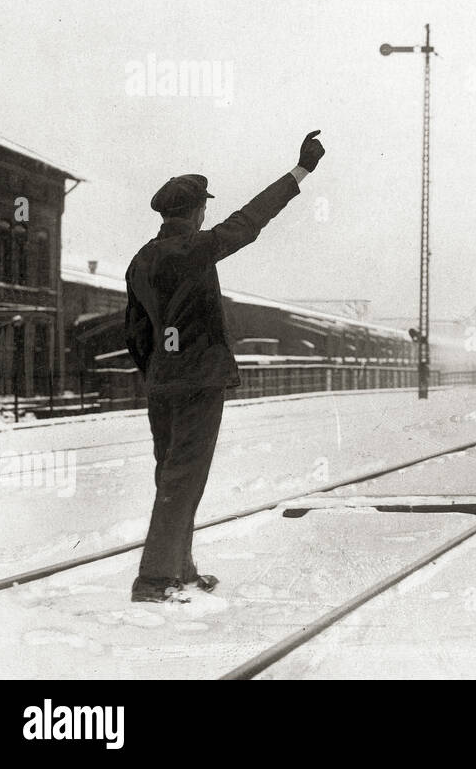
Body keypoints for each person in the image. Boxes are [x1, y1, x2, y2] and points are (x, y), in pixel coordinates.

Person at [124, 130, 325, 603]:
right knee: (184, 476)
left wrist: (156, 371)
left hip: (162, 383)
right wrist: (300, 171)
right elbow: (251, 219)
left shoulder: (139, 261)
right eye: (203, 209)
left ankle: (179, 567)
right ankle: (154, 581)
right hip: (198, 381)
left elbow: (134, 333)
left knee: (171, 474)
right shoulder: (196, 248)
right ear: (195, 211)